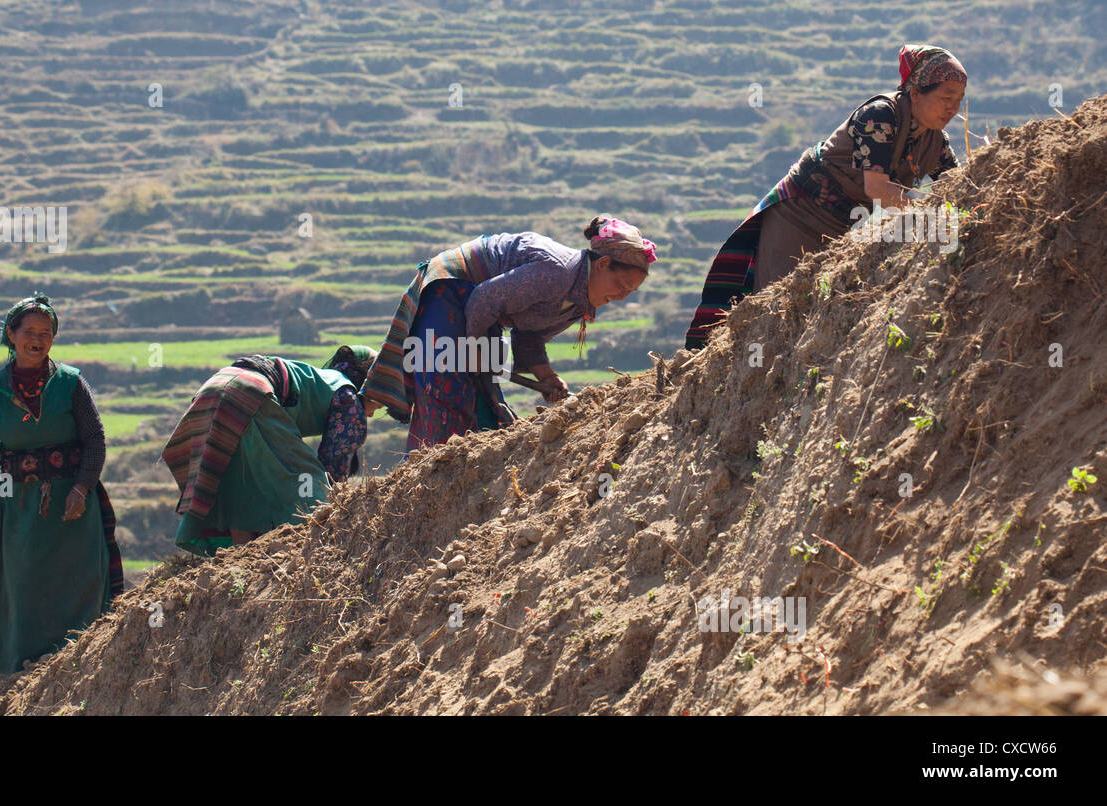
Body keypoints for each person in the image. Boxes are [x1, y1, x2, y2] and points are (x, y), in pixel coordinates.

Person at [685, 44, 967, 349]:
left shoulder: (935, 143)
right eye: (945, 98)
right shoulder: (880, 115)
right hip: (797, 216)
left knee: (812, 312)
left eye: (959, 100)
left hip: (841, 229)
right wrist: (931, 216)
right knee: (773, 309)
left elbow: (957, 186)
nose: (952, 108)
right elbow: (877, 188)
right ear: (915, 93)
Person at [363, 216, 656, 451]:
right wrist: (475, 346)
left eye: (630, 292)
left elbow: (528, 336)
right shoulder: (556, 272)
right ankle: (428, 471)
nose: (621, 297)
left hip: (477, 308)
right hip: (451, 290)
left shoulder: (578, 302)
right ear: (603, 264)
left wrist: (547, 378)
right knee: (447, 389)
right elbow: (483, 300)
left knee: (486, 394)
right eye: (622, 285)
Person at [0, 293, 122, 681]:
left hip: (73, 505)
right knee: (22, 585)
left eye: (46, 333)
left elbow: (96, 441)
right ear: (10, 334)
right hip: (18, 506)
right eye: (29, 332)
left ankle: (81, 663)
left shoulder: (70, 383)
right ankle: (18, 667)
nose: (37, 339)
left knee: (78, 581)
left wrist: (82, 489)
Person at [161, 345, 375, 557]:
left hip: (213, 389)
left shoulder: (323, 379)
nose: (373, 414)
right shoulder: (348, 395)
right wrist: (332, 507)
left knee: (238, 479)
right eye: (378, 404)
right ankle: (308, 552)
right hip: (249, 392)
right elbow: (333, 465)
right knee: (307, 479)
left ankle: (241, 560)